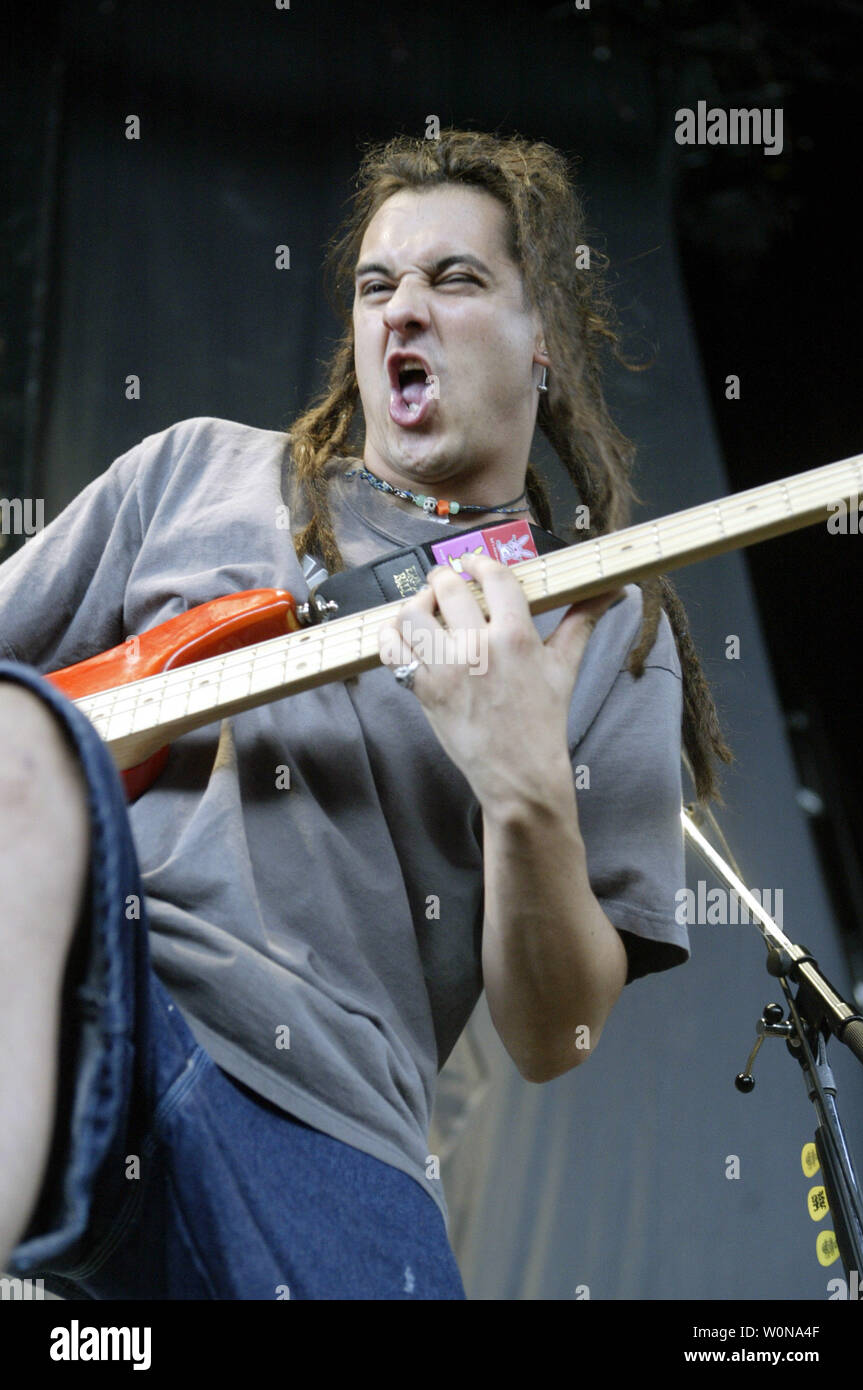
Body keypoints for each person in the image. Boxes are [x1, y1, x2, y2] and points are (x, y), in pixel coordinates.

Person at [0, 129, 730, 1300]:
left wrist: (523, 786)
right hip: (104, 986)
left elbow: (556, 1038)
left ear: (543, 341)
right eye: (375, 285)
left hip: (324, 1126)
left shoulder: (602, 628)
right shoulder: (195, 473)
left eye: (455, 280)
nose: (402, 310)